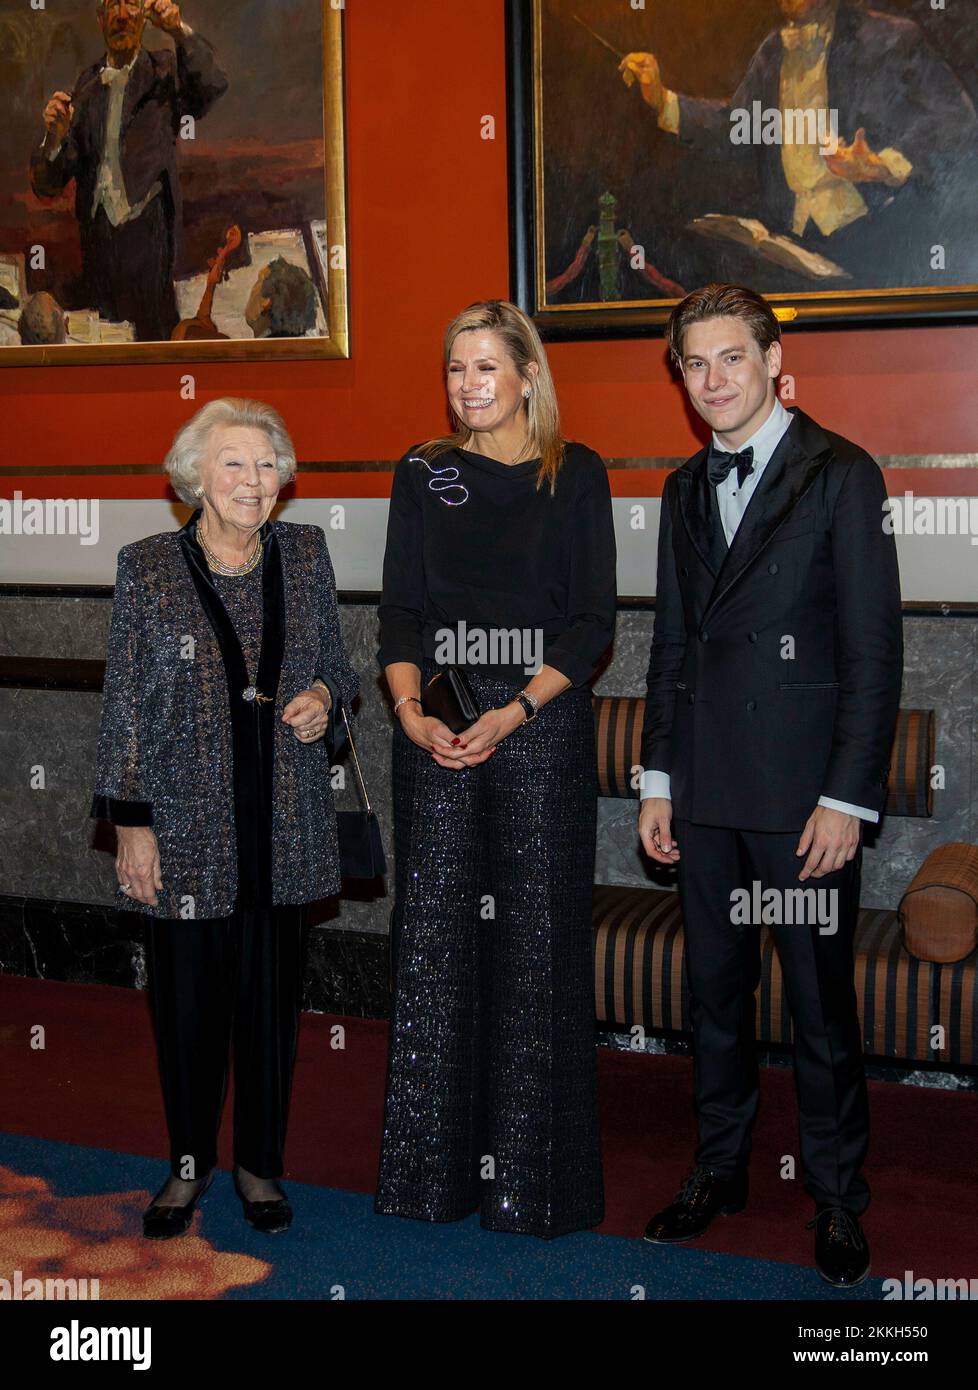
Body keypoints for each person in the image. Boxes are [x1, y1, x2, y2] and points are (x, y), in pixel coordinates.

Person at [638, 282, 902, 1285]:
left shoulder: (844, 475)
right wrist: (658, 776)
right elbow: (670, 643)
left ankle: (837, 1195)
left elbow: (875, 656)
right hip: (702, 792)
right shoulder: (678, 490)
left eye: (730, 360)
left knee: (820, 1009)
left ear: (772, 359)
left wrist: (847, 798)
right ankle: (719, 1168)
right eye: (693, 365)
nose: (711, 382)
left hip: (802, 808)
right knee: (714, 995)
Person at [375, 299, 617, 1238]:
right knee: (434, 949)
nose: (468, 386)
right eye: (454, 369)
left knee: (534, 947)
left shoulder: (579, 473)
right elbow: (401, 612)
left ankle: (532, 1190)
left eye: (486, 368)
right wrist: (407, 715)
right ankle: (430, 1182)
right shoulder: (421, 472)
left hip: (540, 719)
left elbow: (592, 623)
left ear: (527, 376)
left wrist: (514, 711)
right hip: (433, 720)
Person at [90, 397, 358, 1238]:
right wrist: (131, 825)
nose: (253, 479)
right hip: (185, 828)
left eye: (266, 463)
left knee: (270, 1009)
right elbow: (125, 702)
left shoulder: (306, 555)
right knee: (186, 1011)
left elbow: (339, 672)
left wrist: (322, 698)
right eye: (234, 462)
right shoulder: (148, 567)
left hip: (283, 826)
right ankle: (185, 1166)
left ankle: (257, 1165)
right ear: (195, 477)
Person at [618, 0, 978, 283]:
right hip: (793, 248)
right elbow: (736, 126)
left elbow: (958, 122)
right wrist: (662, 99)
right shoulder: (772, 52)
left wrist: (881, 166)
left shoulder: (892, 39)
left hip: (878, 243)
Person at [30, 0, 228, 340]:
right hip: (98, 245)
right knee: (103, 344)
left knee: (152, 343)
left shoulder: (165, 72)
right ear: (100, 19)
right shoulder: (86, 86)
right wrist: (54, 139)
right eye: (111, 6)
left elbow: (212, 84)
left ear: (146, 16)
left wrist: (178, 30)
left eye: (132, 5)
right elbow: (47, 185)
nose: (121, 15)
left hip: (149, 242)